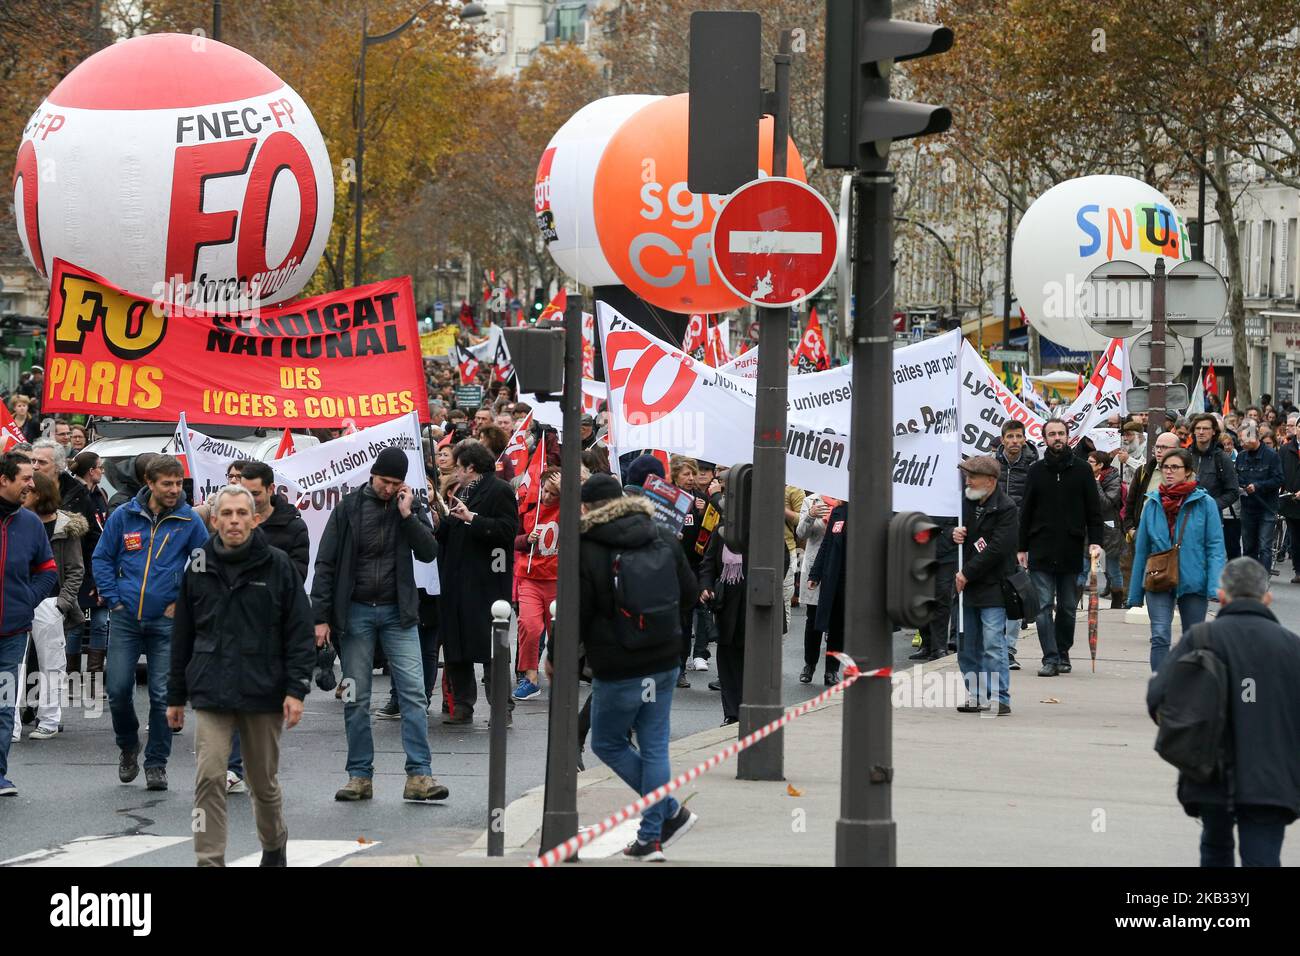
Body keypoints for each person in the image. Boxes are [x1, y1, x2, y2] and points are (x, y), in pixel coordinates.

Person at [166, 485, 314, 867]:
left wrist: (296, 689)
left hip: (262, 690)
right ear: (213, 520)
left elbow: (298, 631)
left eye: (241, 513)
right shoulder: (198, 564)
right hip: (211, 688)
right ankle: (209, 859)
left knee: (262, 784)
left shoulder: (278, 565)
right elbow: (183, 632)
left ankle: (274, 844)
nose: (233, 520)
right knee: (209, 777)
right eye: (226, 514)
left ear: (255, 518)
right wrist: (175, 695)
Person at [565, 474, 698, 859]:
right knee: (655, 746)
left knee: (607, 742)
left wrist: (557, 655)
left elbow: (576, 611)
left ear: (588, 508)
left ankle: (667, 815)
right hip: (663, 658)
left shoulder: (587, 546)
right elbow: (689, 595)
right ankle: (652, 836)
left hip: (619, 664)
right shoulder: (662, 535)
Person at [311, 447, 445, 802]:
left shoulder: (409, 507)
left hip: (397, 612)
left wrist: (407, 517)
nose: (389, 489)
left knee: (415, 694)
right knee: (356, 696)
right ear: (373, 476)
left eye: (396, 483)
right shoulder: (349, 508)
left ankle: (420, 775)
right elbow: (325, 563)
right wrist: (320, 617)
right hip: (356, 612)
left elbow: (429, 552)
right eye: (384, 482)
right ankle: (359, 776)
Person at [1147, 558, 1300, 867]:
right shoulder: (1291, 647)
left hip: (1209, 771)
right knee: (1263, 856)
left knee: (1215, 847)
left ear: (1222, 595)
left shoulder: (1200, 638)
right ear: (1267, 597)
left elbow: (1157, 697)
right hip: (1272, 779)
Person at [93, 455, 210, 791]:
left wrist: (181, 602)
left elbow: (202, 565)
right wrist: (113, 599)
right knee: (116, 690)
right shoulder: (123, 516)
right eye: (167, 484)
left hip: (166, 623)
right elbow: (102, 557)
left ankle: (156, 763)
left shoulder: (189, 520)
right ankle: (128, 745)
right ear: (150, 482)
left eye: (178, 483)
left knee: (162, 695)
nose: (175, 490)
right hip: (126, 617)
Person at [221, 460, 310, 793]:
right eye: (244, 492)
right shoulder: (230, 525)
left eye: (255, 493)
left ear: (271, 490)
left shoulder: (293, 526)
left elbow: (296, 578)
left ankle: (258, 769)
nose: (249, 499)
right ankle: (232, 767)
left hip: (271, 629)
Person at [435, 440, 518, 725]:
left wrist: (474, 519)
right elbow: (447, 534)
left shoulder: (500, 490)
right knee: (456, 646)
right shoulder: (461, 492)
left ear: (471, 467)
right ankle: (462, 705)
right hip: (456, 581)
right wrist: (441, 520)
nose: (455, 472)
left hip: (486, 583)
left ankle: (501, 708)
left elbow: (507, 531)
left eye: (459, 467)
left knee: (492, 648)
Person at [1017, 419, 1103, 676]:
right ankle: (1050, 657)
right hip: (1040, 547)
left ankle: (1063, 652)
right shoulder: (1035, 470)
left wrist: (1095, 541)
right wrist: (1021, 547)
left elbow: (1093, 511)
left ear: (1068, 437)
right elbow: (1026, 510)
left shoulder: (1082, 470)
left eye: (1061, 433)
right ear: (1044, 438)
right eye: (1052, 434)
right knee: (1043, 606)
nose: (1057, 438)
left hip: (1071, 547)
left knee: (1067, 606)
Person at [1128, 448, 1226, 671]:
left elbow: (1215, 547)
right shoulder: (1152, 503)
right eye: (1165, 467)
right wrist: (1135, 592)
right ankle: (1160, 689)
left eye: (1175, 467)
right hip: (1159, 577)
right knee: (1160, 635)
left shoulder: (1205, 503)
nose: (1169, 472)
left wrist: (1215, 585)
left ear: (1188, 471)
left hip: (1193, 580)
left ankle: (1189, 690)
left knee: (1194, 639)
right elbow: (1141, 549)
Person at [0, 453, 58, 792]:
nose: (32, 484)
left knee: (4, 704)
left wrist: (25, 602)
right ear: (4, 480)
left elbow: (47, 570)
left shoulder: (31, 523)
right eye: (24, 477)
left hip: (12, 630)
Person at [14, 473, 87, 740]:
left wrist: (61, 604)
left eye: (30, 491)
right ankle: (10, 725)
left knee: (51, 664)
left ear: (40, 495)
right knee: (14, 663)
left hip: (50, 602)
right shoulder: (16, 521)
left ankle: (49, 720)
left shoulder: (64, 527)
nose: (24, 493)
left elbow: (75, 569)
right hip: (18, 600)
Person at [950, 456, 1018, 715]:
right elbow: (946, 531)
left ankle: (1000, 697)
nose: (968, 480)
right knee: (967, 644)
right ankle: (976, 695)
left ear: (990, 481)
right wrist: (952, 534)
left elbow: (998, 549)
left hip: (992, 585)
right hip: (966, 587)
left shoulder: (1007, 508)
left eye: (973, 476)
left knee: (992, 642)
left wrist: (967, 572)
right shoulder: (963, 504)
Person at [61, 451, 110, 682]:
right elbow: (77, 542)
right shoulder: (76, 497)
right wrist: (89, 579)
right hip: (80, 570)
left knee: (100, 623)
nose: (102, 471)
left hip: (101, 568)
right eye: (100, 467)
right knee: (77, 624)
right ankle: (70, 676)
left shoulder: (99, 494)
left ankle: (94, 679)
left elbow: (102, 533)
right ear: (91, 471)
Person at [512, 468, 560, 701]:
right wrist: (525, 540)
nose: (547, 496)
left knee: (558, 633)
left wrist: (570, 489)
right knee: (529, 626)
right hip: (530, 577)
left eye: (553, 492)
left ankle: (558, 672)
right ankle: (530, 677)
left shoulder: (568, 509)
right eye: (545, 490)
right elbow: (513, 538)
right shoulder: (530, 508)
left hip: (557, 579)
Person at [995, 419, 1038, 668]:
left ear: (1024, 439)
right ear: (1003, 439)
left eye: (1018, 437)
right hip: (994, 537)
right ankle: (994, 644)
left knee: (1015, 593)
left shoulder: (1034, 465)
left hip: (1022, 539)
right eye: (1009, 437)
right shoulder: (991, 465)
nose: (1014, 441)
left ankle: (1009, 649)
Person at [807, 501, 848, 687]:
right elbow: (827, 544)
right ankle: (831, 671)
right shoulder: (839, 511)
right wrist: (815, 573)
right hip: (836, 576)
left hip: (863, 578)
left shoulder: (874, 509)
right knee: (835, 625)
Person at [1235, 423, 1284, 572]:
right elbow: (1237, 476)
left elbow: (1279, 479)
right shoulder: (1241, 457)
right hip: (1248, 507)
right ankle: (1250, 581)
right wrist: (1240, 486)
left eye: (1242, 440)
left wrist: (1258, 486)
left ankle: (1262, 582)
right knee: (1249, 547)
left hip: (1266, 507)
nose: (1240, 443)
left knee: (1264, 547)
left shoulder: (1271, 456)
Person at [796, 492, 834, 679]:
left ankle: (831, 670)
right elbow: (801, 533)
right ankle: (809, 665)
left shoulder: (848, 499)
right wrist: (810, 515)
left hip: (838, 566)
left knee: (836, 620)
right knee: (813, 618)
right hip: (814, 566)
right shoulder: (812, 500)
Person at [1087, 450, 1127, 609]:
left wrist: (1096, 483)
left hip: (1110, 530)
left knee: (1112, 569)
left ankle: (1117, 602)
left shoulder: (1113, 480)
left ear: (1100, 465)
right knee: (1083, 567)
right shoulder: (1086, 476)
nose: (1087, 464)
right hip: (1089, 529)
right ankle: (1074, 603)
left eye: (1090, 461)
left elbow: (1105, 504)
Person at [1280, 414, 1300, 583]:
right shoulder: (1286, 449)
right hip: (1291, 500)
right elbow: (1280, 472)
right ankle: (1298, 569)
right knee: (1295, 537)